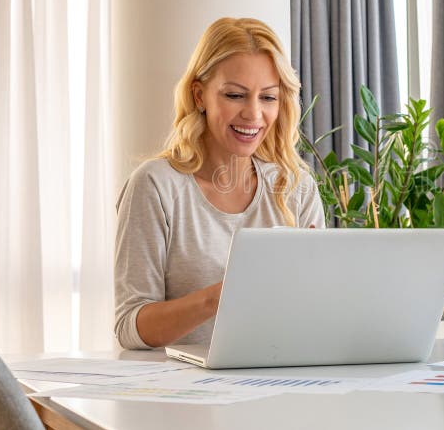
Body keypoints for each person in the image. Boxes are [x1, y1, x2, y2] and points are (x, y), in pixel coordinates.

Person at [114, 17, 325, 350]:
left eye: (268, 98)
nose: (253, 115)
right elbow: (130, 327)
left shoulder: (296, 187)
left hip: (276, 382)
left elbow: (315, 316)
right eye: (235, 95)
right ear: (200, 95)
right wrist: (221, 297)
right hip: (179, 393)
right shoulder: (156, 186)